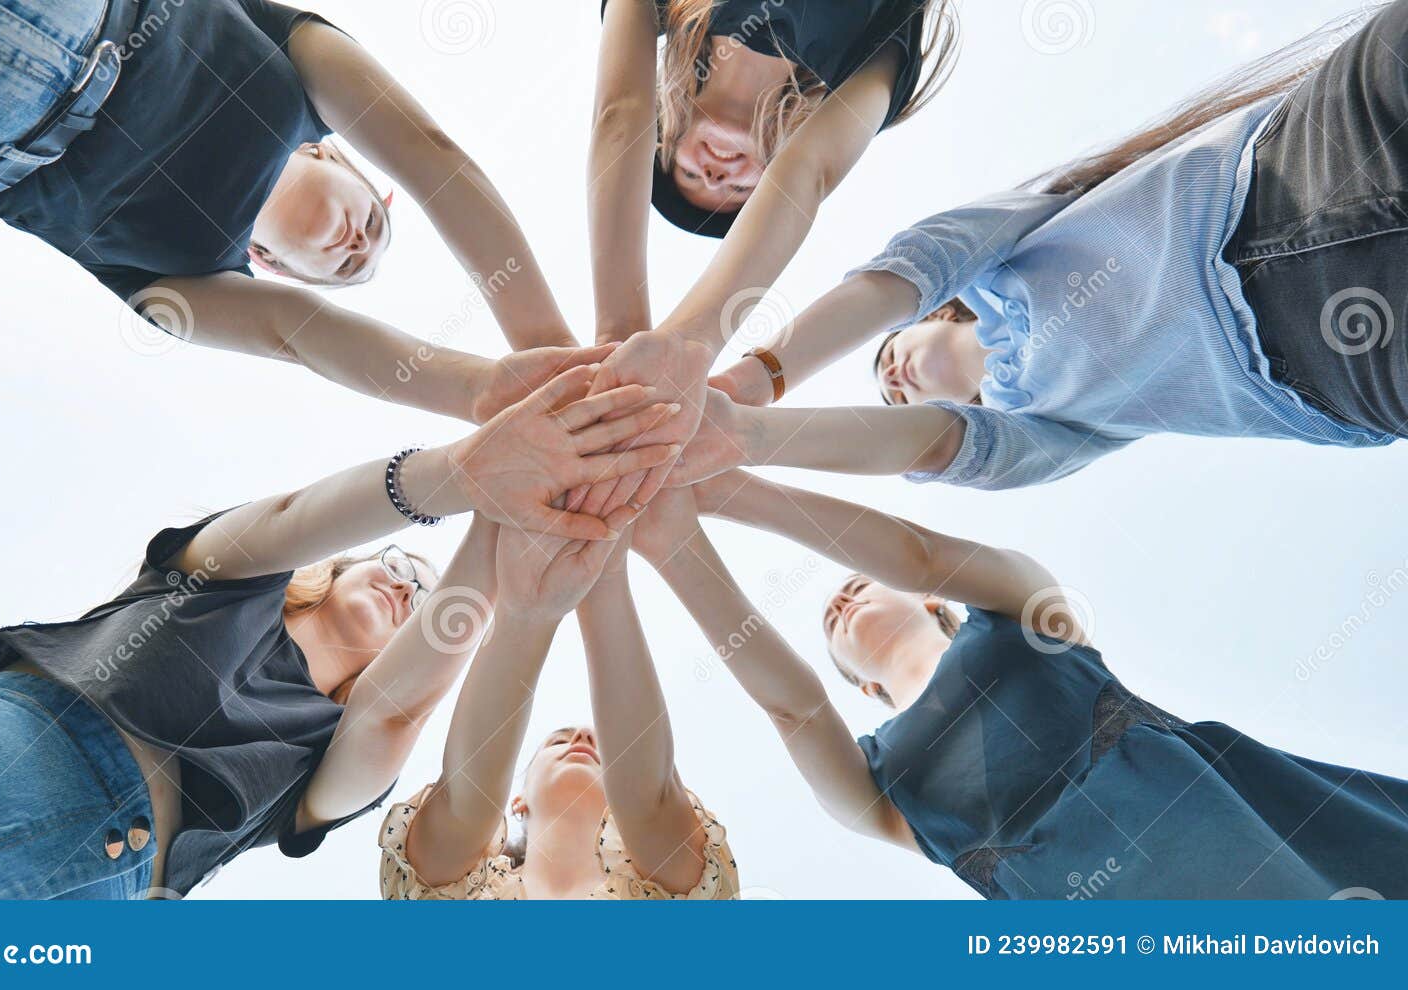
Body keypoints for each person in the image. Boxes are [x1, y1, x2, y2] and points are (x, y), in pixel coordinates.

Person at [0, 370, 675, 899]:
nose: (407, 586)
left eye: (430, 600)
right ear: (337, 569)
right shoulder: (212, 583)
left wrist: (510, 528)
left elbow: (395, 717)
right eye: (400, 567)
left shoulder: (328, 753)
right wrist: (474, 476)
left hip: (109, 884)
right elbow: (291, 518)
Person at [670, 3, 1408, 492]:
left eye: (883, 356)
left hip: (1294, 159)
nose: (891, 376)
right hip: (1330, 368)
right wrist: (744, 434)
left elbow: (909, 271)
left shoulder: (999, 266)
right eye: (893, 395)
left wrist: (757, 376)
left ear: (939, 315)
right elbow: (933, 448)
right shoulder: (1043, 429)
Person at [627, 476, 1408, 898]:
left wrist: (725, 486)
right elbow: (792, 706)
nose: (840, 601)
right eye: (830, 624)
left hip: (1224, 825)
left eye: (858, 586)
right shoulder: (877, 786)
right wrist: (673, 545)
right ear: (863, 690)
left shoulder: (1019, 620)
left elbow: (922, 550)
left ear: (931, 605)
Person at [0, 0, 588, 417]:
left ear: (275, 267)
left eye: (348, 269)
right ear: (338, 157)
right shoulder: (295, 59)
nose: (359, 247)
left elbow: (297, 337)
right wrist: (553, 352)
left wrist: (485, 392)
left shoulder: (196, 283)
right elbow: (432, 158)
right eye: (374, 226)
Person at [570, 0, 956, 513]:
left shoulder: (658, 11)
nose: (714, 176)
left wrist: (620, 340)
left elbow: (619, 112)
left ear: (666, 135)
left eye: (687, 175)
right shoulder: (870, 61)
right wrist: (695, 346)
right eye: (736, 190)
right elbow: (808, 173)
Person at [377, 527, 739, 899]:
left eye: (606, 752)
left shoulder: (681, 887)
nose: (582, 737)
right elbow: (463, 802)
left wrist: (605, 572)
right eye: (558, 740)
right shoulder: (457, 893)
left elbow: (651, 803)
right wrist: (527, 612)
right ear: (517, 800)